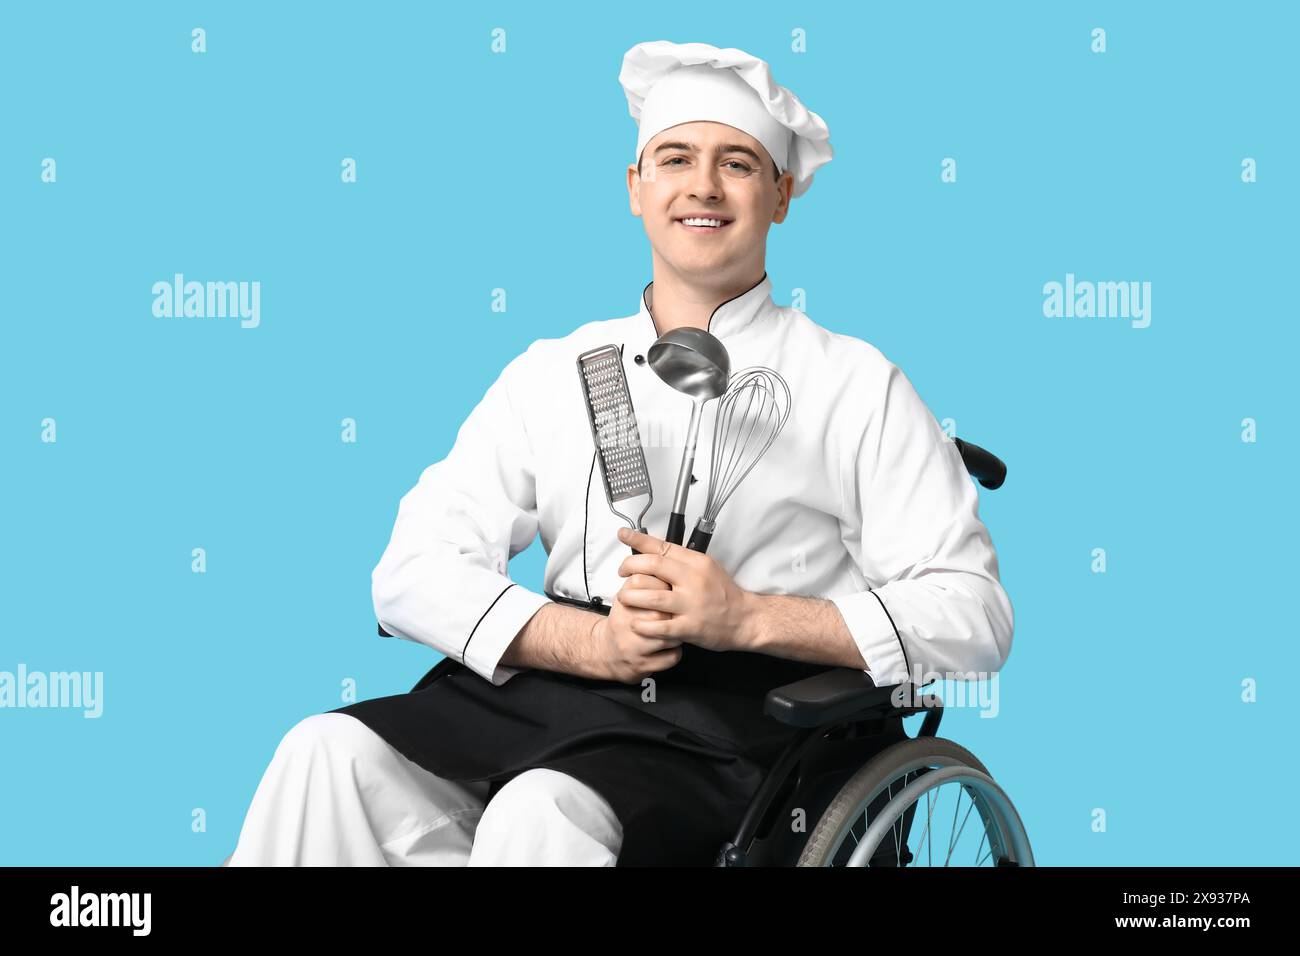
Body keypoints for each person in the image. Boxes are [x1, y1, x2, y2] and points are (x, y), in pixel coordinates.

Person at [224, 39, 1014, 867]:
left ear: (781, 195)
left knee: (539, 812)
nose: (703, 186)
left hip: (752, 731)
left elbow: (975, 615)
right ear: (636, 188)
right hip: (561, 689)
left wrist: (746, 616)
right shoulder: (560, 372)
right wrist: (591, 643)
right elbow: (410, 573)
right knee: (322, 753)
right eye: (675, 158)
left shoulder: (855, 384)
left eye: (738, 164)